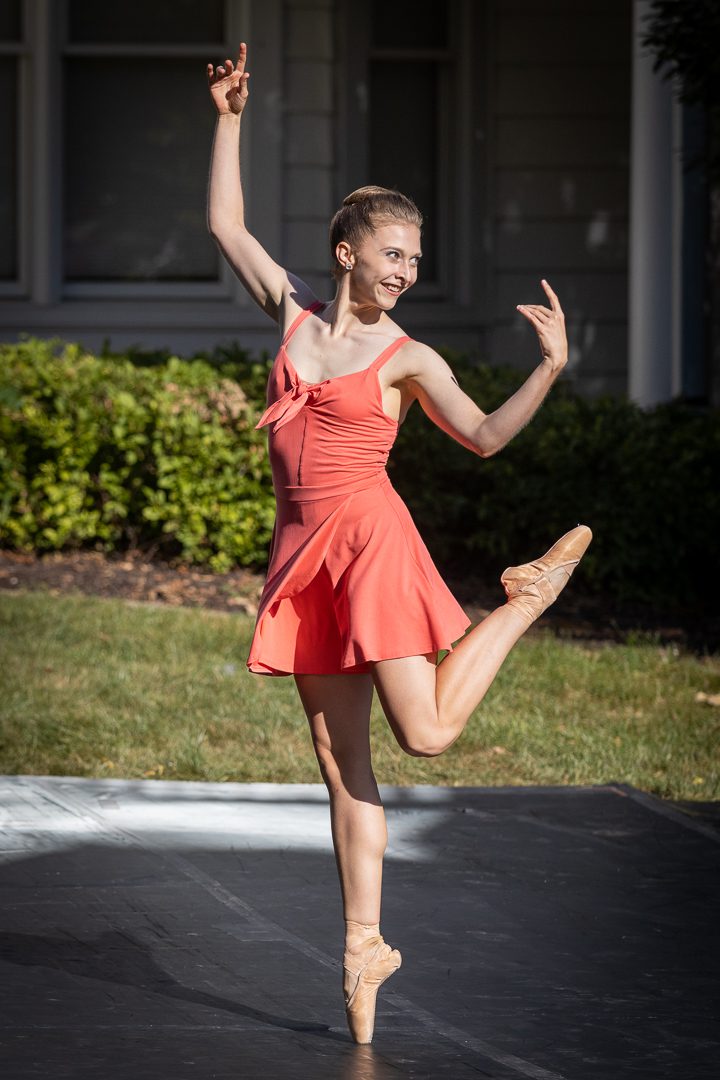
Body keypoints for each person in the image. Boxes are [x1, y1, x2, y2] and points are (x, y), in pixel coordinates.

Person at [207, 44, 592, 1045]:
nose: (407, 271)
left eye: (415, 260)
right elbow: (224, 226)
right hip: (303, 562)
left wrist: (549, 369)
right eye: (394, 254)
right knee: (344, 769)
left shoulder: (406, 354)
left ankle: (521, 603)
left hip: (370, 549)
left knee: (423, 736)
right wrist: (231, 116)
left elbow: (486, 437)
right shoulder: (291, 316)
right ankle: (362, 948)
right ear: (346, 252)